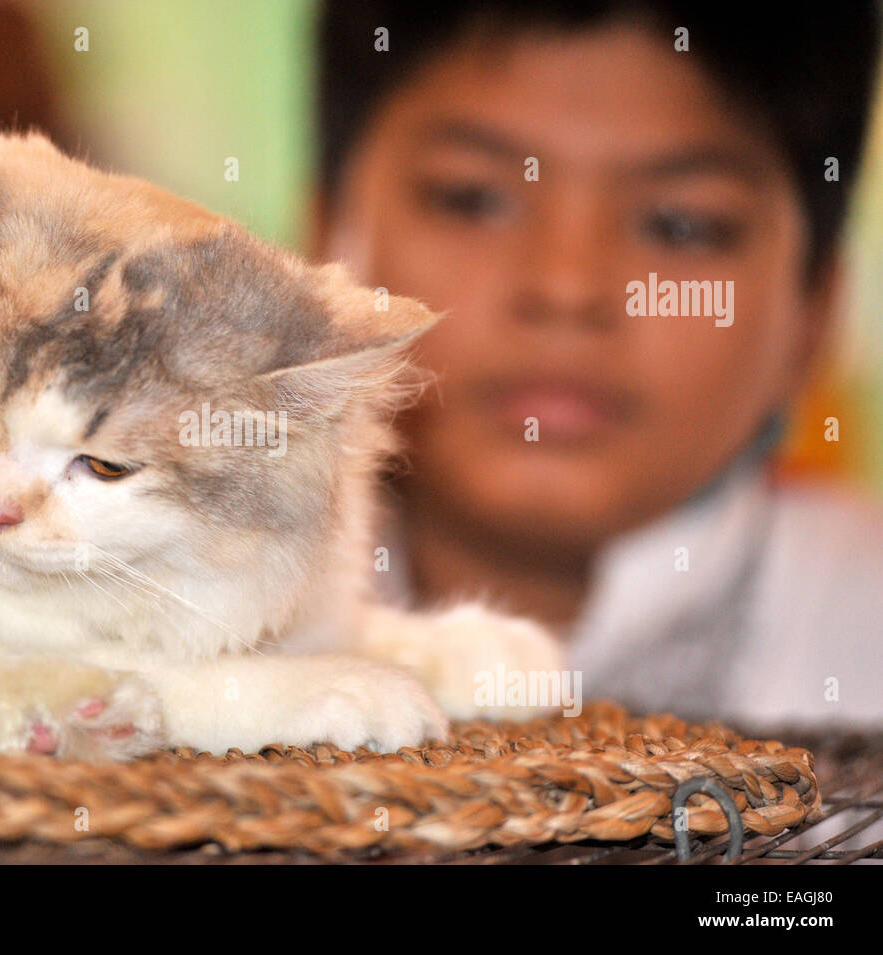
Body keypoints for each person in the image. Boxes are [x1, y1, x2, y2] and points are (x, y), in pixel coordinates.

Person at [309, 1, 883, 729]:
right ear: (325, 240)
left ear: (815, 310)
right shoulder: (170, 615)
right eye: (473, 198)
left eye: (679, 225)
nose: (567, 287)